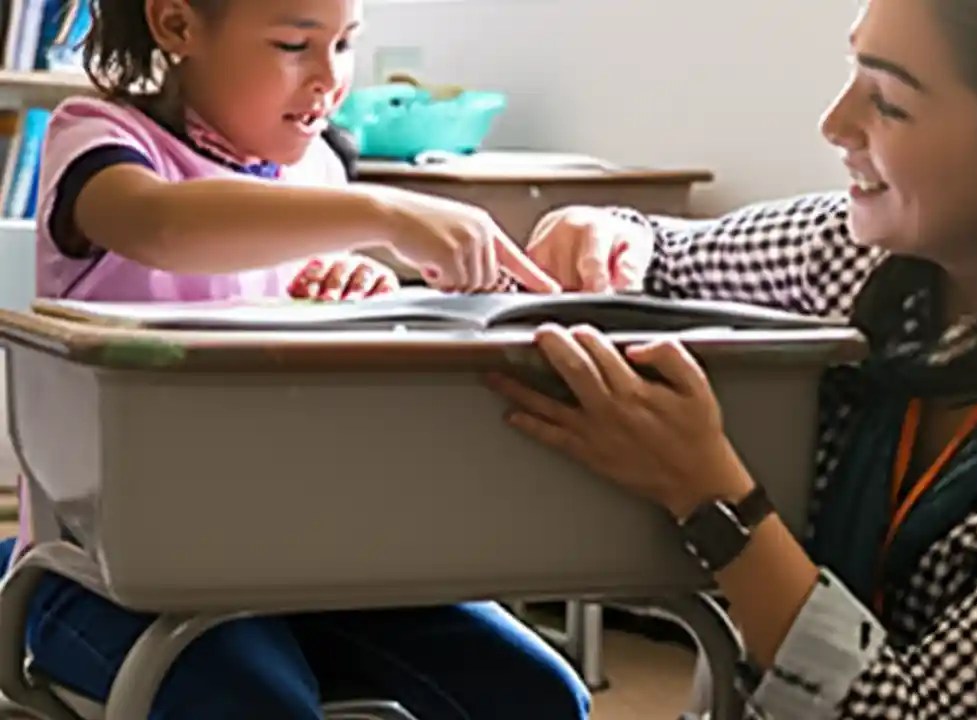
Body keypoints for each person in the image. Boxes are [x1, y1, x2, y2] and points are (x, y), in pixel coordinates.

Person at [489, 0, 977, 716]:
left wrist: (709, 497)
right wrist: (606, 236)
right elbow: (663, 254)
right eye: (852, 71)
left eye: (890, 100)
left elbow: (909, 715)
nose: (834, 123)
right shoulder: (863, 260)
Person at [2, 0, 588, 718]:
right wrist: (385, 215)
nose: (329, 78)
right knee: (254, 701)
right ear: (177, 26)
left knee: (537, 695)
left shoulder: (320, 169)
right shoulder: (99, 141)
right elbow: (162, 225)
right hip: (104, 575)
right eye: (293, 44)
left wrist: (356, 285)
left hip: (310, 562)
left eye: (345, 45)